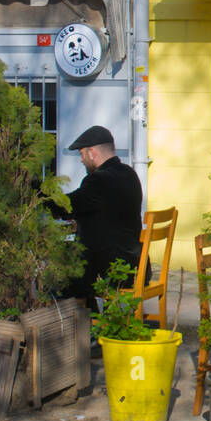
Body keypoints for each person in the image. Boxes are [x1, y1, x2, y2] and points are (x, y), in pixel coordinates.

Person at [52, 125, 143, 303]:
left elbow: (66, 205)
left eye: (81, 154)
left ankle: (81, 323)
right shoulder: (130, 174)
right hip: (135, 264)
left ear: (92, 152)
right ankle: (90, 318)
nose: (81, 160)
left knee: (65, 274)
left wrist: (39, 195)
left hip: (112, 269)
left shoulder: (98, 180)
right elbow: (106, 212)